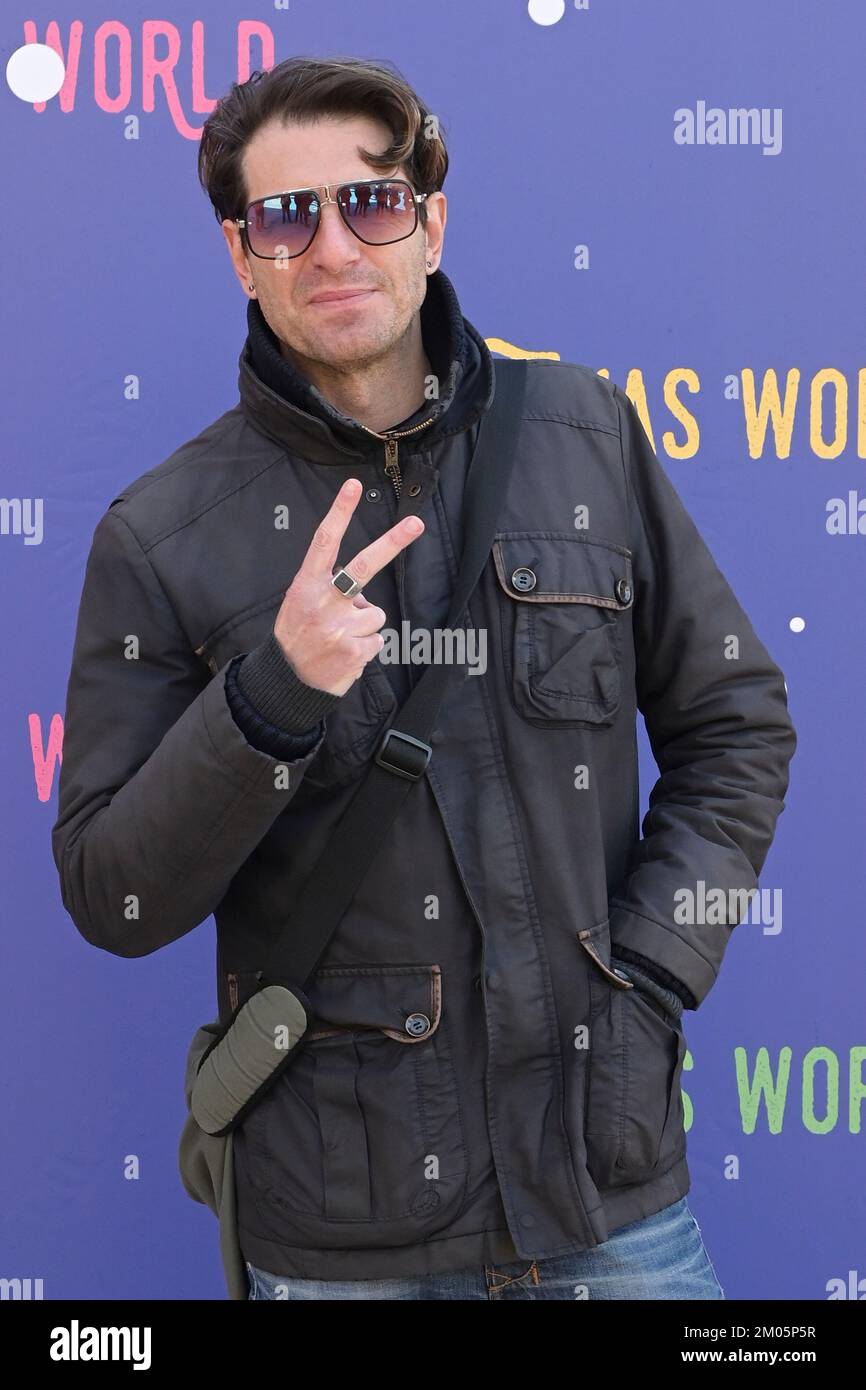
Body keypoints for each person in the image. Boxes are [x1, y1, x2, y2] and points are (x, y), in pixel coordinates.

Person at [52, 55, 796, 1301]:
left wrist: (658, 973)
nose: (334, 244)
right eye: (287, 217)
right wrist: (269, 697)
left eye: (371, 201)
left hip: (604, 1189)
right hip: (343, 1235)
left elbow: (737, 725)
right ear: (241, 253)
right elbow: (112, 899)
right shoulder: (161, 533)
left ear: (430, 221)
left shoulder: (582, 433)